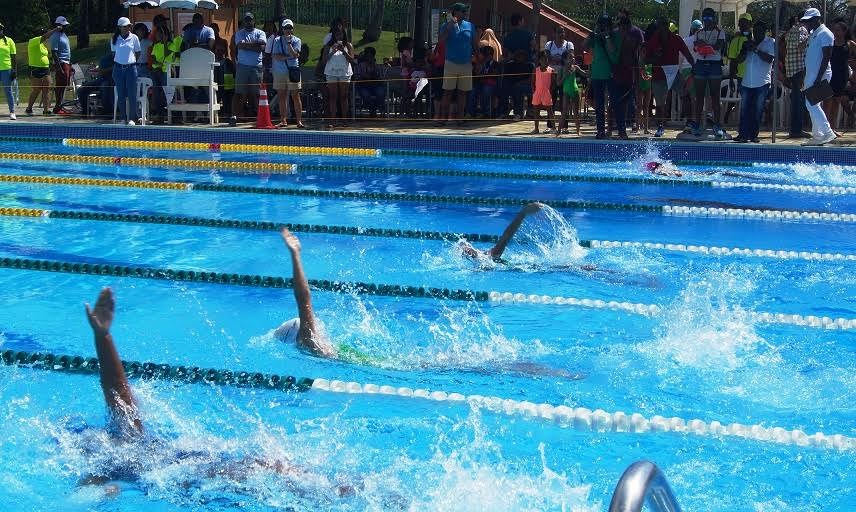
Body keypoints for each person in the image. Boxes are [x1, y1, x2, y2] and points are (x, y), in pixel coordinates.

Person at [646, 16, 694, 138]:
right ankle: (661, 126)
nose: (660, 29)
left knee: (686, 96)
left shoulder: (676, 38)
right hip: (658, 73)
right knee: (660, 103)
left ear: (667, 27)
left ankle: (689, 123)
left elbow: (687, 53)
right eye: (659, 27)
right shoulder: (653, 40)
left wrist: (694, 66)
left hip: (674, 72)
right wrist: (654, 59)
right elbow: (647, 59)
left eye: (663, 26)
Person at [733, 20, 775, 143]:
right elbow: (739, 61)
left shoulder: (770, 42)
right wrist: (745, 49)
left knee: (757, 110)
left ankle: (753, 135)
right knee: (745, 110)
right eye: (755, 31)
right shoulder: (748, 42)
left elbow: (769, 59)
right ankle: (743, 135)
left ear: (764, 31)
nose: (757, 33)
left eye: (759, 31)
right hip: (747, 81)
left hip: (762, 82)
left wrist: (756, 50)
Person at [800, 8, 836, 146]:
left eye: (809, 21)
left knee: (811, 103)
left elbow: (827, 57)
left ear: (817, 19)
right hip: (812, 74)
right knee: (812, 104)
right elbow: (809, 57)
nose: (806, 24)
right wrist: (806, 76)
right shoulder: (814, 33)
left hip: (820, 74)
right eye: (805, 21)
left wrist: (818, 78)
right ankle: (817, 135)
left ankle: (827, 132)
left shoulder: (825, 33)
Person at [690, 8, 727, 138]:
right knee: (699, 96)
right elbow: (696, 47)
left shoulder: (720, 32)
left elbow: (718, 46)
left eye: (709, 17)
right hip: (700, 64)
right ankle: (697, 124)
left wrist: (704, 45)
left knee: (715, 96)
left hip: (714, 65)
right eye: (704, 18)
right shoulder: (698, 32)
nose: (707, 20)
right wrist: (705, 46)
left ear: (714, 18)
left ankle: (717, 125)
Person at [438, 2, 476, 126]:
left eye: (465, 11)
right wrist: (449, 28)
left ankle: (460, 118)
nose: (465, 13)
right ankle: (443, 118)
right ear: (456, 12)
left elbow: (474, 43)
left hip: (466, 63)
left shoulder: (470, 26)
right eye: (463, 11)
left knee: (462, 92)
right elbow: (441, 41)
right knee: (448, 92)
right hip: (451, 63)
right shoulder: (446, 25)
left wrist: (478, 55)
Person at [583, 15, 619, 139]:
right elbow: (585, 46)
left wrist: (607, 36)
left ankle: (612, 129)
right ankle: (600, 130)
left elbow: (612, 50)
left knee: (613, 103)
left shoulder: (614, 36)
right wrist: (593, 32)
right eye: (601, 25)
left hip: (610, 74)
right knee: (599, 104)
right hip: (597, 75)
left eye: (605, 25)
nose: (603, 27)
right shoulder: (595, 36)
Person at [230, 12, 267, 126]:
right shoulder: (239, 33)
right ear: (244, 21)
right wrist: (255, 44)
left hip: (256, 67)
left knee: (256, 94)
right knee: (239, 93)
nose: (248, 22)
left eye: (250, 20)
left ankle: (258, 117)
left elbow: (261, 48)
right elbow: (240, 46)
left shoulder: (260, 32)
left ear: (254, 21)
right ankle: (236, 115)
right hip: (242, 66)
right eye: (246, 20)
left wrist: (247, 44)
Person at [270, 18, 305, 128]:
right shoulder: (277, 40)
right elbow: (275, 56)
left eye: (290, 28)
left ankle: (299, 121)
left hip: (293, 70)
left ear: (292, 29)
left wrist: (289, 43)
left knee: (295, 95)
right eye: (286, 28)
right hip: (280, 71)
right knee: (282, 96)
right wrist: (288, 56)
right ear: (282, 29)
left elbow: (295, 54)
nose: (288, 30)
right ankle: (283, 120)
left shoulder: (297, 40)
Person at [823, 19, 856, 136]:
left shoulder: (850, 44)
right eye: (834, 30)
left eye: (838, 30)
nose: (835, 32)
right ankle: (825, 129)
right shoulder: (830, 42)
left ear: (844, 31)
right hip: (830, 75)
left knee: (836, 103)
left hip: (842, 77)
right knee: (827, 103)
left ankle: (832, 129)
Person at [780, 15, 810, 138]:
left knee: (797, 100)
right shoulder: (801, 30)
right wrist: (810, 38)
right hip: (799, 70)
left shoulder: (789, 32)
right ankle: (796, 130)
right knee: (799, 102)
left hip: (792, 70)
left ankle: (795, 129)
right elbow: (800, 46)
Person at [321, 26, 355, 129]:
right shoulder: (328, 46)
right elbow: (323, 60)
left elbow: (352, 60)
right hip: (331, 73)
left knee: (344, 96)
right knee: (332, 96)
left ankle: (344, 119)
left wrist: (344, 52)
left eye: (340, 34)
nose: (338, 36)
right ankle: (332, 120)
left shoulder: (348, 45)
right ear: (333, 35)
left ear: (344, 35)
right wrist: (333, 51)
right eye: (336, 34)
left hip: (344, 73)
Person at [111, 17, 141, 126]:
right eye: (125, 26)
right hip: (118, 69)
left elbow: (137, 53)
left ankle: (132, 118)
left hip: (131, 69)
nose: (128, 28)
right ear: (119, 27)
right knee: (121, 94)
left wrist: (130, 63)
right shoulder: (114, 39)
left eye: (129, 26)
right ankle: (123, 118)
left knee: (132, 94)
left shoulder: (134, 38)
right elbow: (114, 54)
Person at [724, 13, 753, 124]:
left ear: (750, 24)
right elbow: (732, 61)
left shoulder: (757, 38)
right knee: (744, 102)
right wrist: (731, 79)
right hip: (741, 76)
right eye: (741, 22)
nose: (743, 24)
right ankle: (738, 123)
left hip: (756, 76)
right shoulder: (735, 40)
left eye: (745, 22)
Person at [26, 27, 57, 116]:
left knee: (47, 89)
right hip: (35, 69)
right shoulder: (33, 41)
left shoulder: (43, 45)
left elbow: (45, 56)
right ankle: (29, 108)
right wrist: (55, 30)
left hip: (45, 69)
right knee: (36, 89)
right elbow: (44, 37)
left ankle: (46, 110)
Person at [555, 50, 587, 136]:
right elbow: (558, 83)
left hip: (575, 91)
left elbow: (585, 74)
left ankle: (577, 130)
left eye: (573, 57)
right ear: (564, 60)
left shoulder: (575, 67)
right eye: (570, 57)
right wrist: (564, 76)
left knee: (576, 112)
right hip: (566, 92)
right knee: (564, 112)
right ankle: (558, 132)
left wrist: (591, 68)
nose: (573, 59)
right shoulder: (561, 69)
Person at [354, 46, 386, 118]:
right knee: (365, 95)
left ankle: (374, 108)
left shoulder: (378, 67)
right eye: (367, 56)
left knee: (380, 93)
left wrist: (375, 76)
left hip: (376, 85)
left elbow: (382, 78)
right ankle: (372, 109)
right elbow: (357, 78)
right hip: (364, 85)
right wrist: (364, 76)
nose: (369, 58)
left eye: (371, 56)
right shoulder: (360, 66)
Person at [49, 16, 72, 115]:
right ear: (58, 25)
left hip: (66, 62)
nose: (65, 27)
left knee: (63, 86)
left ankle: (59, 106)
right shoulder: (55, 35)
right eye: (63, 25)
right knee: (60, 86)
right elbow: (54, 52)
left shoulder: (63, 35)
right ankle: (57, 108)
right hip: (61, 63)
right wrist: (59, 68)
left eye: (65, 25)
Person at [530, 50, 555, 134]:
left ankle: (554, 128)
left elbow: (553, 83)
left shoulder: (551, 70)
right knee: (536, 111)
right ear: (539, 60)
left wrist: (550, 92)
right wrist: (534, 92)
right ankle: (536, 128)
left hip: (546, 93)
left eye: (546, 59)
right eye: (543, 59)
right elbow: (533, 82)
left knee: (550, 111)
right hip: (537, 92)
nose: (545, 61)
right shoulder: (535, 70)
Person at [0, 21, 17, 120]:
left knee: (8, 91)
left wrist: (14, 71)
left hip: (6, 69)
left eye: (0, 29)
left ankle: (12, 112)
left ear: (2, 30)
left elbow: (14, 57)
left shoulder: (9, 41)